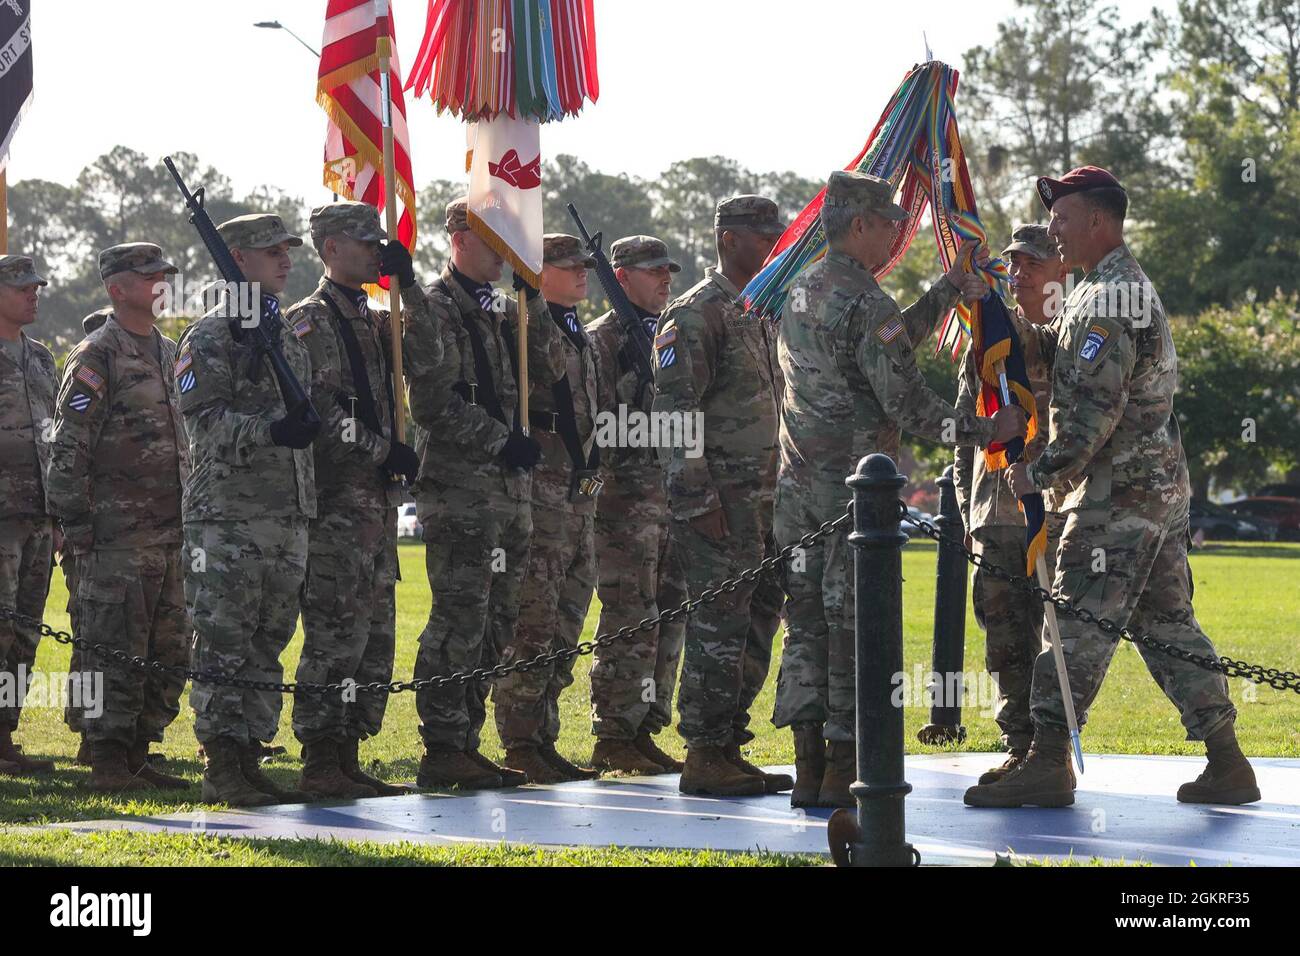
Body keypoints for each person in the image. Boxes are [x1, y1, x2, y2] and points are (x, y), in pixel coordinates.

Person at [966, 166, 1260, 807]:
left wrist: (1036, 476)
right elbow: (1070, 363)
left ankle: (1047, 763)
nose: (1053, 231)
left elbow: (1092, 415)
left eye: (1062, 219)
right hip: (1149, 495)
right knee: (1169, 628)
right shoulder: (1104, 290)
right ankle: (1228, 761)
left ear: (1097, 220)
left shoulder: (1108, 299)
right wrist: (998, 322)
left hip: (1114, 498)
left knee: (1071, 620)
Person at [772, 170, 1025, 807]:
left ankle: (808, 770)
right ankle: (843, 765)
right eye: (889, 223)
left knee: (804, 625)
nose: (896, 235)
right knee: (854, 627)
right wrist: (986, 426)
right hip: (854, 499)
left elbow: (874, 350)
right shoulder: (867, 301)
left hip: (797, 490)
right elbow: (908, 403)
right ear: (860, 225)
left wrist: (946, 292)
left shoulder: (801, 288)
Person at [404, 198, 566, 789]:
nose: (504, 254)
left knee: (499, 620)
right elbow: (431, 405)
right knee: (460, 616)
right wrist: (501, 441)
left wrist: (533, 296)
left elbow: (550, 368)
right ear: (458, 240)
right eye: (494, 241)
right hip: (462, 490)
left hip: (510, 494)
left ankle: (466, 740)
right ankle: (443, 744)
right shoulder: (432, 309)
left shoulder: (506, 309)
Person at [285, 201, 428, 799]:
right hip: (336, 502)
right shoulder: (307, 323)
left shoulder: (378, 318)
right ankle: (320, 757)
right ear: (329, 249)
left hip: (377, 505)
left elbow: (429, 363)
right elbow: (320, 414)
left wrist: (411, 289)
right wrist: (381, 450)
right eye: (364, 242)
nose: (375, 250)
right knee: (335, 632)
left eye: (380, 242)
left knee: (373, 636)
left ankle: (348, 751)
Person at [177, 213, 321, 807]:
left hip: (287, 510)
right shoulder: (209, 336)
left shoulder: (282, 331)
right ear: (237, 259)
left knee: (268, 638)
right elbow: (203, 422)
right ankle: (221, 761)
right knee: (223, 638)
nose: (285, 260)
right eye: (270, 252)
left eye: (287, 250)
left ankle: (251, 750)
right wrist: (271, 429)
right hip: (228, 514)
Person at [651, 195, 792, 797]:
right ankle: (704, 752)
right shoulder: (694, 314)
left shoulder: (761, 311)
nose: (775, 246)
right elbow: (672, 414)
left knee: (757, 619)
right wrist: (695, 499)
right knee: (719, 624)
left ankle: (729, 741)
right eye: (765, 237)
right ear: (729, 239)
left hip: (765, 504)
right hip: (718, 505)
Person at [46, 243, 191, 792]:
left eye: (164, 274)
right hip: (113, 536)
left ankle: (135, 750)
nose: (160, 283)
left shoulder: (168, 349)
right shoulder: (96, 354)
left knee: (168, 647)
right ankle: (105, 755)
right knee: (111, 645)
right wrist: (78, 528)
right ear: (117, 288)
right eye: (149, 275)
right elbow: (69, 448)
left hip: (169, 533)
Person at [952, 224, 1067, 786]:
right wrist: (963, 502)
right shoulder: (987, 335)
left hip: (1051, 512)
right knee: (1003, 635)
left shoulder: (1066, 334)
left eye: (1032, 265)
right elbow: (963, 430)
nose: (1019, 275)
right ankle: (1018, 744)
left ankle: (1050, 751)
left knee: (1055, 636)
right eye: (1013, 266)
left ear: (1059, 272)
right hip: (994, 514)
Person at [493, 235, 602, 783]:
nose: (582, 272)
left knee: (567, 620)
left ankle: (544, 734)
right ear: (538, 272)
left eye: (584, 264)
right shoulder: (523, 325)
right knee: (532, 622)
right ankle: (519, 740)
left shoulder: (582, 330)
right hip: (541, 488)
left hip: (579, 493)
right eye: (568, 265)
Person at [587, 235, 687, 775]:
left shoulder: (666, 336)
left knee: (670, 615)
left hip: (668, 497)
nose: (665, 280)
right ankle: (613, 732)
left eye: (667, 270)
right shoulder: (601, 342)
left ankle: (647, 725)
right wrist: (638, 393)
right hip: (625, 499)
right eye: (653, 272)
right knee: (630, 616)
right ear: (620, 278)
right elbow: (597, 423)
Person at [0, 255, 58, 775]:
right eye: (21, 287)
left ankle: (6, 734)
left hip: (39, 515)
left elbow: (55, 437)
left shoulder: (41, 358)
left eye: (36, 286)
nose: (32, 294)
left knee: (26, 630)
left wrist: (59, 511)